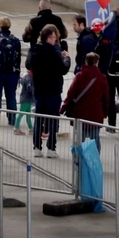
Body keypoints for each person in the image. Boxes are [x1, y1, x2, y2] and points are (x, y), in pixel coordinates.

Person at [26, 25, 70, 154]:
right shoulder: (54, 52)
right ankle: (51, 147)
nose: (54, 40)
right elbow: (63, 69)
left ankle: (37, 147)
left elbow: (28, 64)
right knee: (53, 119)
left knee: (39, 118)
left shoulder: (34, 50)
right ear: (47, 38)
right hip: (53, 89)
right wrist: (66, 59)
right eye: (52, 38)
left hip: (39, 88)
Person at [61, 51, 109, 145]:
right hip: (95, 114)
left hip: (80, 113)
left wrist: (63, 109)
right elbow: (106, 98)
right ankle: (94, 159)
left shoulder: (79, 76)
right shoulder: (102, 78)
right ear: (97, 63)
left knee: (78, 141)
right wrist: (105, 112)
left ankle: (77, 159)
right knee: (95, 141)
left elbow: (71, 94)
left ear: (86, 62)